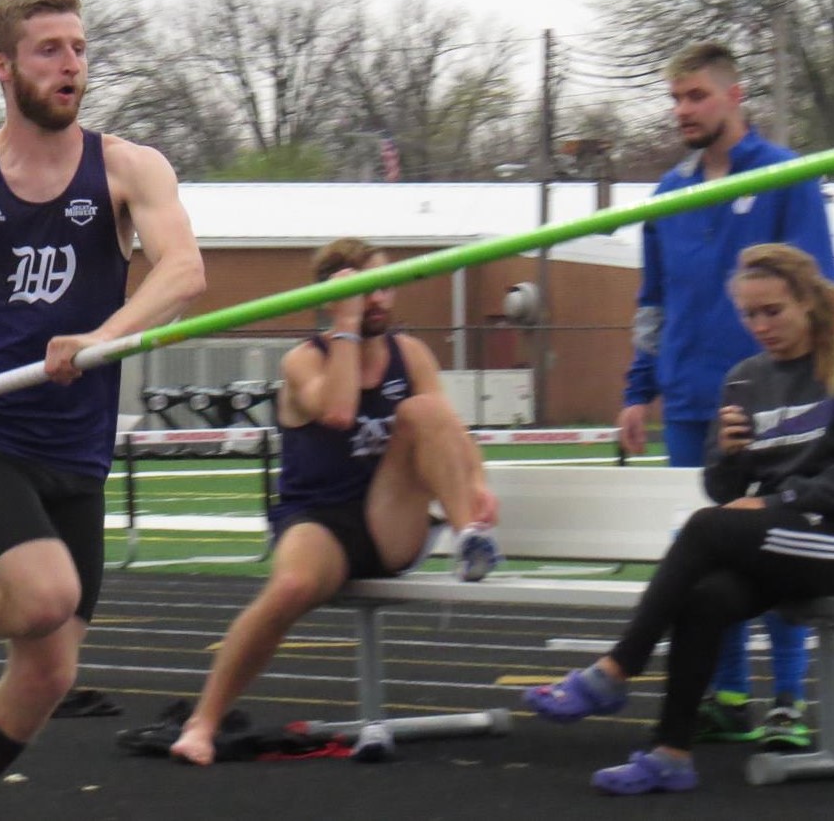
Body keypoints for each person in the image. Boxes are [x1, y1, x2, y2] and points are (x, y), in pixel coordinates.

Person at [0, 0, 206, 821]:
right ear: (4, 67)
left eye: (79, 49)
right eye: (50, 50)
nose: (71, 66)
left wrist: (104, 334)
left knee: (49, 671)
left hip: (79, 440)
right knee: (48, 594)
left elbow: (183, 273)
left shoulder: (131, 168)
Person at [166, 237, 502, 766]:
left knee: (422, 412)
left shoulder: (409, 354)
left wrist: (476, 484)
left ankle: (470, 540)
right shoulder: (303, 362)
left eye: (386, 285)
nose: (380, 300)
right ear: (334, 296)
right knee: (292, 586)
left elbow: (450, 433)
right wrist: (346, 324)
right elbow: (340, 412)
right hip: (320, 519)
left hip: (390, 518)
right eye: (367, 289)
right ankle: (202, 723)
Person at [526, 241, 834, 794]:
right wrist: (733, 454)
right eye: (749, 314)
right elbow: (721, 488)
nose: (760, 325)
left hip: (827, 539)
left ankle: (617, 669)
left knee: (703, 528)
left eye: (773, 311)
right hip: (785, 542)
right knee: (705, 599)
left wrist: (772, 503)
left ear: (808, 302)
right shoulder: (745, 378)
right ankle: (671, 752)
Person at [615, 41, 834, 748]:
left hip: (783, 395)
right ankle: (727, 693)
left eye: (696, 96)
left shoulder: (785, 176)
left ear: (733, 96)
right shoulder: (667, 196)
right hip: (690, 397)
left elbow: (815, 284)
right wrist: (636, 388)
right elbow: (652, 301)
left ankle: (790, 700)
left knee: (780, 533)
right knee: (715, 553)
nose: (682, 110)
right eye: (675, 99)